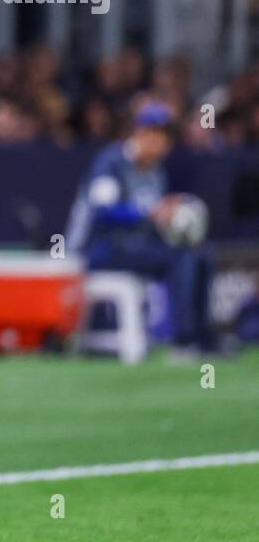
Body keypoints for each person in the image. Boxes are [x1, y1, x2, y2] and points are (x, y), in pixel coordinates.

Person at [65, 101, 214, 353]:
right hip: (97, 250)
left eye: (166, 138)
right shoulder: (111, 162)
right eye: (156, 135)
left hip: (131, 248)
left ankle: (204, 338)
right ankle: (183, 342)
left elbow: (151, 223)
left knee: (201, 254)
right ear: (139, 133)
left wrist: (171, 221)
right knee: (179, 259)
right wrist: (151, 212)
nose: (161, 144)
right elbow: (102, 213)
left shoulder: (156, 172)